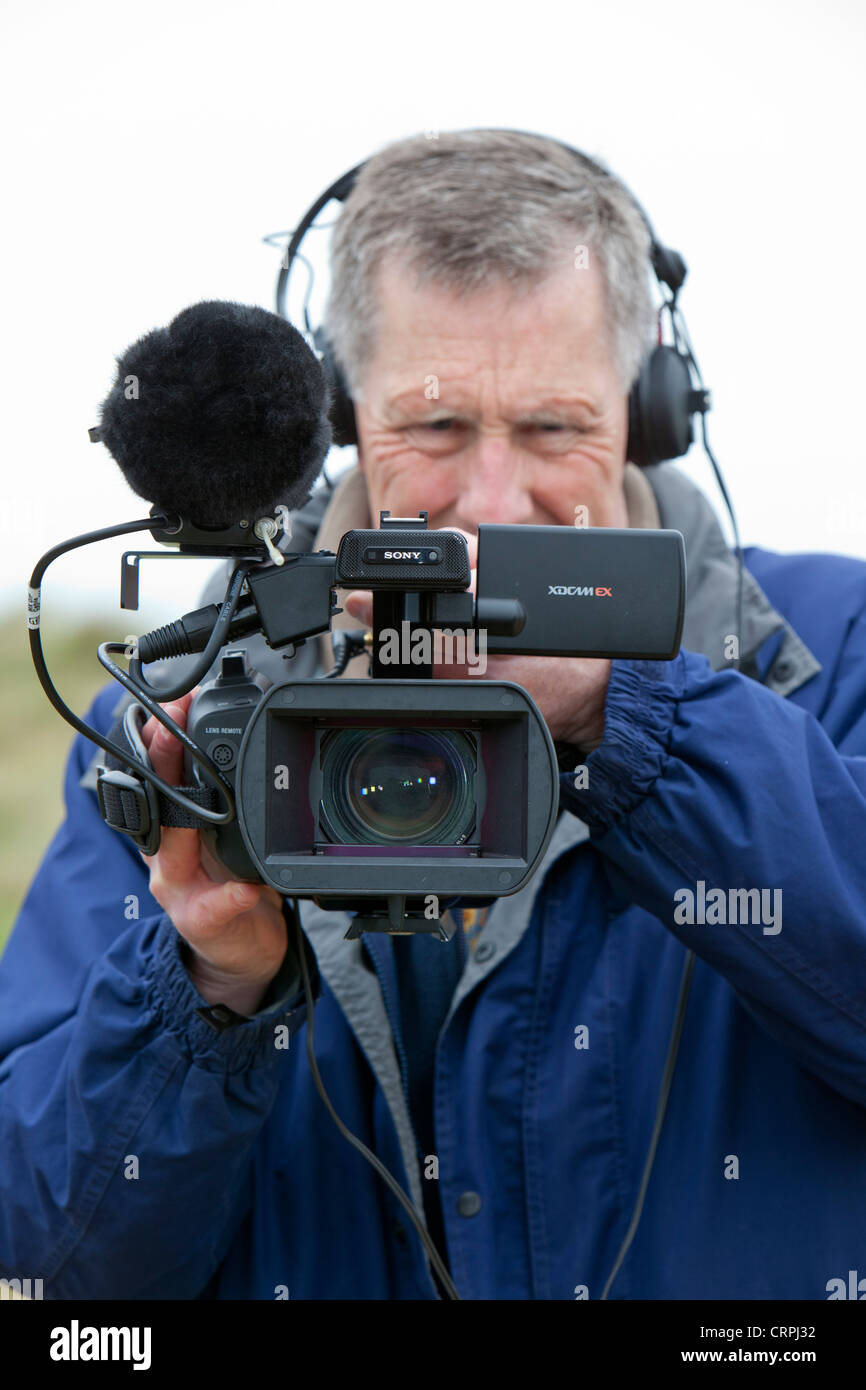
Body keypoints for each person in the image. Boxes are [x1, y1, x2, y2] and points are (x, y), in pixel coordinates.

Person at [1, 129, 865, 1301]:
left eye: (555, 428)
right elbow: (54, 1262)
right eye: (437, 428)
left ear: (648, 410)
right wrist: (207, 986)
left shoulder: (830, 650)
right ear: (346, 416)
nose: (492, 501)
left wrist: (629, 712)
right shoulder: (177, 722)